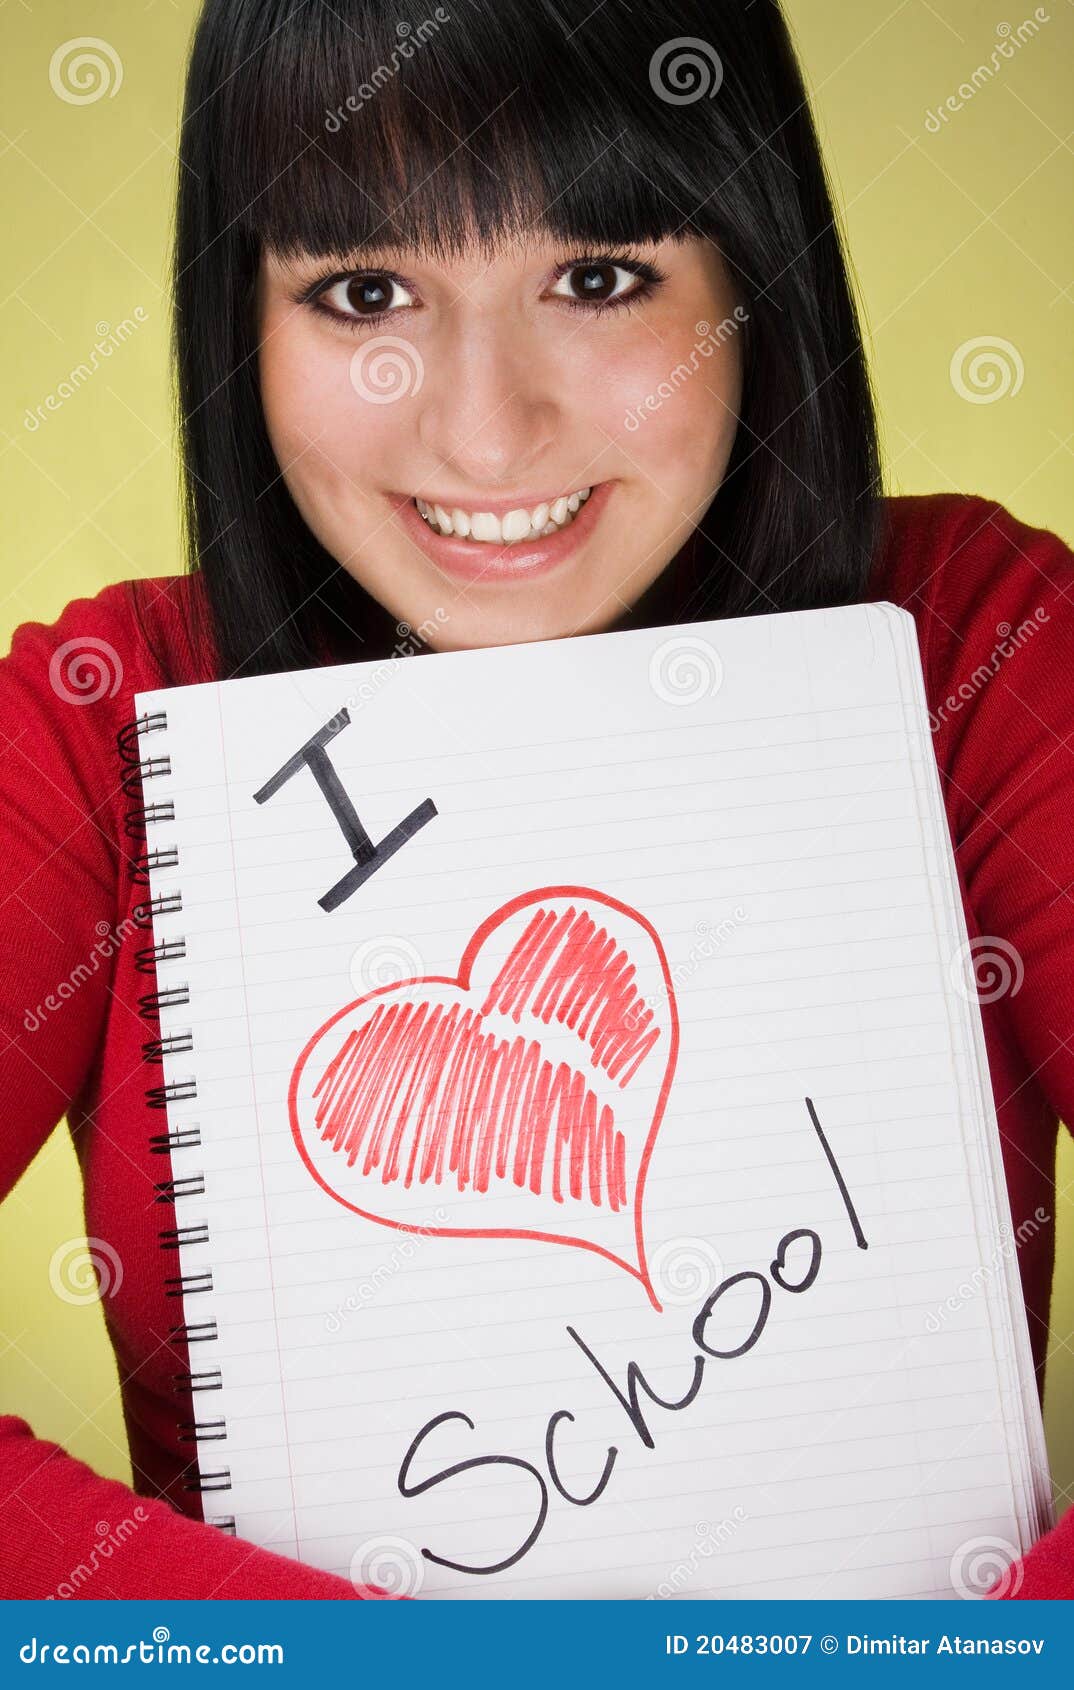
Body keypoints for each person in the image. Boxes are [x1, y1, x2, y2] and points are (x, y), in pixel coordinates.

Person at [1, 0, 1071, 1600]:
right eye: (364, 290)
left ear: (750, 277)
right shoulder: (99, 726)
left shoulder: (977, 649)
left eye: (596, 277)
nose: (484, 430)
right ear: (243, 322)